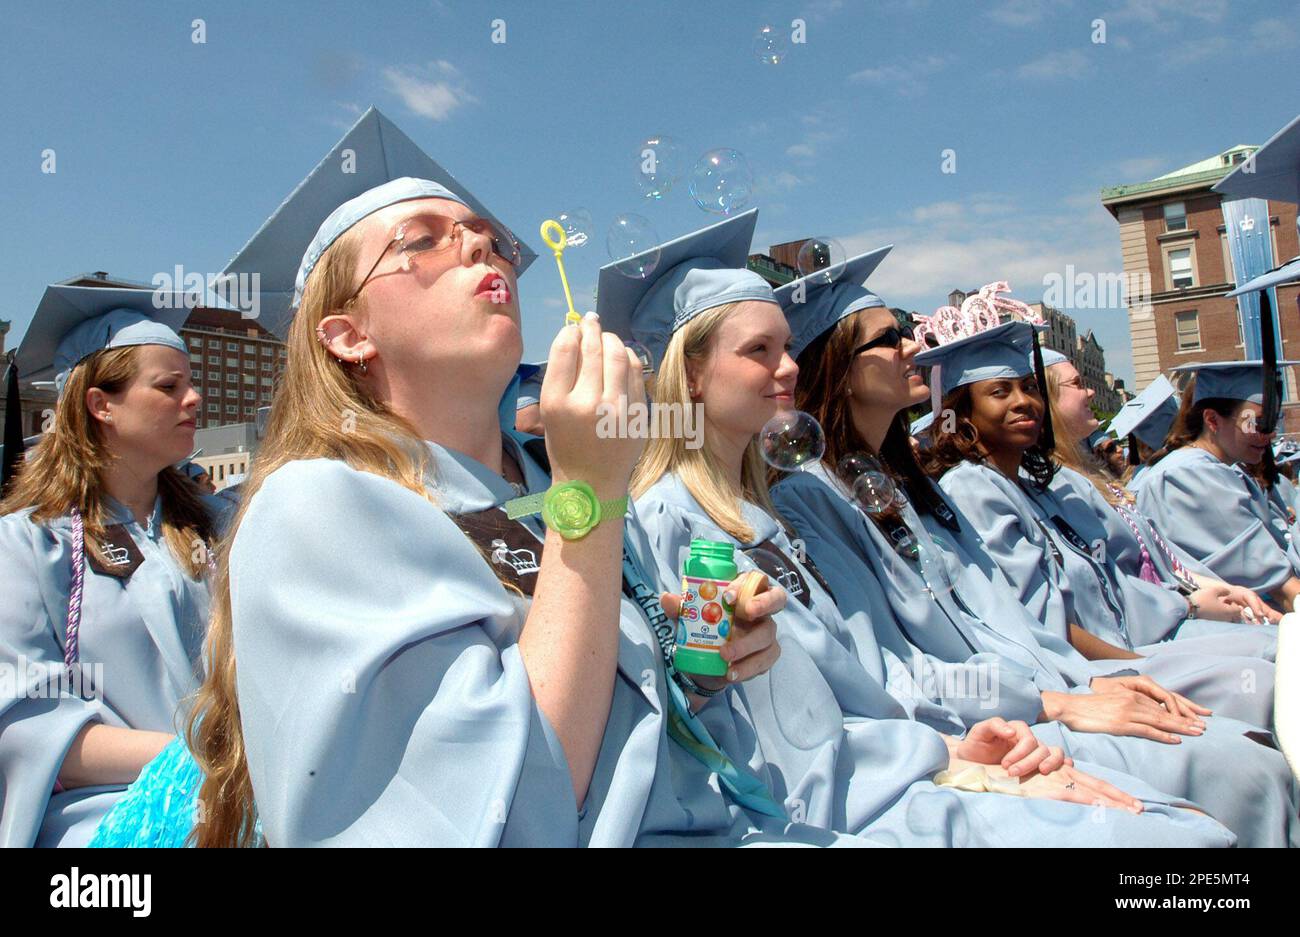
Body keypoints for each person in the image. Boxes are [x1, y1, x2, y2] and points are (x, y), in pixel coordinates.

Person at [172, 108, 866, 848]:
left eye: (486, 235)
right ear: (349, 335)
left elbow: (605, 696)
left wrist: (697, 662)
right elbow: (494, 808)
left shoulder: (540, 480)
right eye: (422, 241)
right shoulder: (315, 505)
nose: (482, 243)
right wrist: (594, 499)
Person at [602, 217, 1235, 846]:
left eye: (788, 346)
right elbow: (784, 743)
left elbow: (870, 677)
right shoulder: (676, 522)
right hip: (853, 804)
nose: (790, 367)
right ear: (688, 374)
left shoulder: (758, 510)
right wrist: (962, 756)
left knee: (1185, 813)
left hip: (919, 753)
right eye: (758, 350)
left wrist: (967, 745)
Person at [765, 256, 1298, 845]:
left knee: (1247, 736)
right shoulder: (812, 500)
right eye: (889, 338)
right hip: (982, 721)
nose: (913, 346)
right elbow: (891, 667)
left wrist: (1085, 684)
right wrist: (1058, 700)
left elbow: (1004, 620)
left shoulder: (902, 488)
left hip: (1044, 688)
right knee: (1239, 773)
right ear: (837, 365)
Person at [910, 291, 1279, 728]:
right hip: (1082, 673)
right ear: (962, 413)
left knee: (1271, 649)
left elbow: (1114, 582)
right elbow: (1041, 622)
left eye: (1029, 388)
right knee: (1260, 676)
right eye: (999, 392)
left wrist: (1186, 612)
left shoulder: (1033, 485)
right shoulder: (972, 487)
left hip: (1130, 645)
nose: (1023, 401)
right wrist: (1143, 664)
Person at [0, 284, 229, 847]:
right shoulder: (29, 545)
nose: (194, 398)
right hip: (105, 819)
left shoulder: (222, 525)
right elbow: (31, 732)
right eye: (169, 387)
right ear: (101, 405)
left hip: (240, 798)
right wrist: (210, 760)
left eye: (191, 383)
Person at [1136, 361, 1300, 612]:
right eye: (1257, 422)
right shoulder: (1191, 477)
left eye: (1273, 421)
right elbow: (1281, 588)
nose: (1270, 435)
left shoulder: (1219, 469)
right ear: (1212, 419)